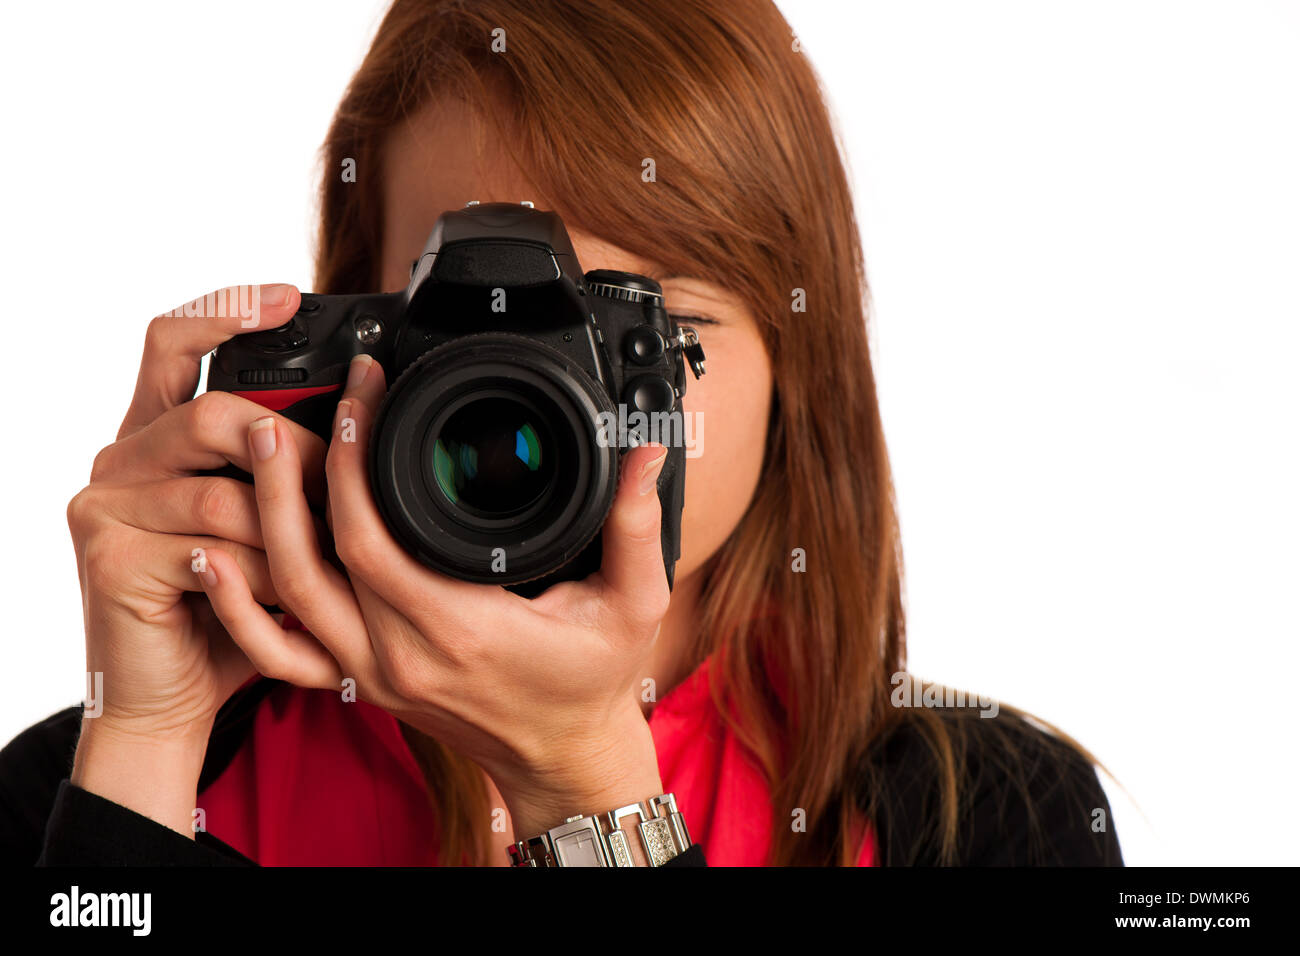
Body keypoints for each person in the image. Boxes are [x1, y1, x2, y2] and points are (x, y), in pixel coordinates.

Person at [0, 0, 1121, 867]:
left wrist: (587, 787)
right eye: (464, 327)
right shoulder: (93, 783)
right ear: (349, 346)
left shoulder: (991, 817)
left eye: (651, 327)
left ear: (799, 367)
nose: (547, 398)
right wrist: (144, 744)